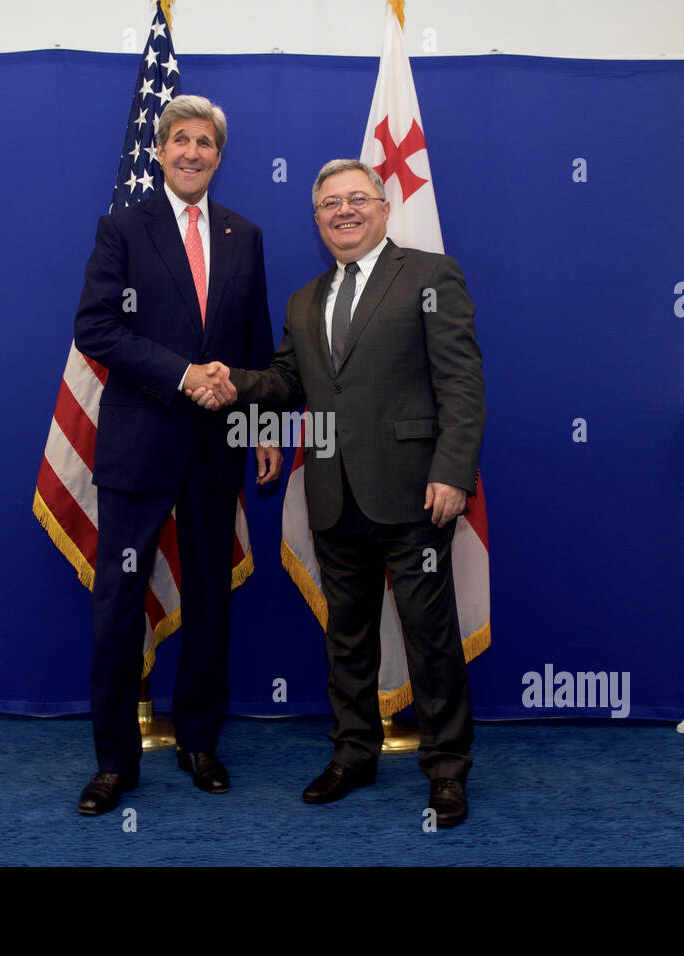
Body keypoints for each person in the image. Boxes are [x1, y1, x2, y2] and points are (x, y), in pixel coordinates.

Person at [191, 159, 484, 827]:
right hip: (333, 495)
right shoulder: (304, 300)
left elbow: (462, 386)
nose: (344, 211)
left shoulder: (432, 277)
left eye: (358, 199)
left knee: (429, 638)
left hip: (415, 493)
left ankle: (446, 770)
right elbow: (289, 383)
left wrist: (452, 472)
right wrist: (232, 379)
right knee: (347, 638)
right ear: (317, 219)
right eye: (330, 204)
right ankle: (353, 754)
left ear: (384, 209)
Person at [72, 95, 281, 816]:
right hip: (140, 444)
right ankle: (112, 761)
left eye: (206, 143)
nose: (192, 152)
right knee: (118, 606)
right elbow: (96, 329)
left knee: (210, 604)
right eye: (180, 140)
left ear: (220, 156)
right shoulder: (122, 230)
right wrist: (181, 375)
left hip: (217, 450)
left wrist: (260, 425)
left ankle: (200, 743)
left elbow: (255, 345)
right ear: (159, 151)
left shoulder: (245, 235)